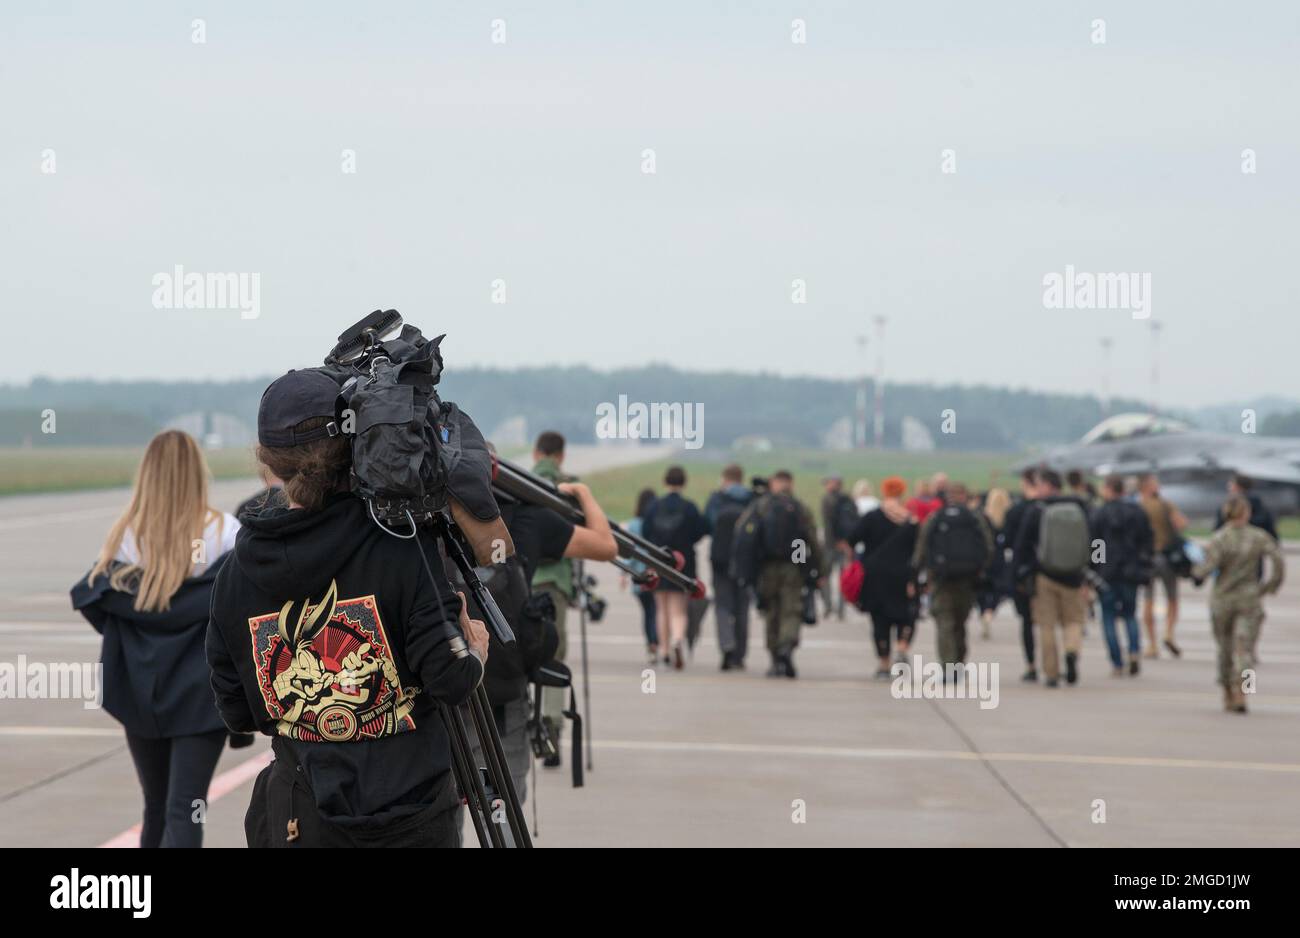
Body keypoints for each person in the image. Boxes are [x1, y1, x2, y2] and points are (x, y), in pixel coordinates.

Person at [207, 369, 489, 847]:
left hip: (303, 814)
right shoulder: (402, 546)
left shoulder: (236, 571)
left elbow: (238, 711)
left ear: (268, 462)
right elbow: (451, 678)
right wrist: (476, 651)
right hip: (411, 815)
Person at [71, 430, 239, 848]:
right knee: (186, 808)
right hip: (203, 697)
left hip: (141, 690)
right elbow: (244, 608)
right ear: (198, 473)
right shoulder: (224, 532)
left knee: (155, 807)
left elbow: (94, 599)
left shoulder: (127, 537)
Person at [484, 467, 616, 776]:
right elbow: (606, 545)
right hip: (505, 671)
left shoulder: (430, 513)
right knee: (504, 797)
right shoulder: (531, 517)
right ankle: (550, 729)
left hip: (445, 673)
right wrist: (583, 494)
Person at [1192, 495, 1284, 713]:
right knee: (1245, 650)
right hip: (1249, 599)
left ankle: (1226, 692)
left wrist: (1196, 575)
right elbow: (1278, 559)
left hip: (1222, 600)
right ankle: (1243, 693)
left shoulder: (1219, 538)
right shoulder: (1258, 537)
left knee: (1224, 648)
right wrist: (1271, 585)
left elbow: (1206, 567)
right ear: (1247, 513)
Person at [1013, 469, 1092, 687]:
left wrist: (1021, 574)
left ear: (1048, 486)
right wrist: (1094, 568)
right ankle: (1072, 651)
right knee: (1074, 620)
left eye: (1039, 485)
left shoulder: (1037, 510)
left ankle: (1051, 672)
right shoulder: (1082, 506)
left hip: (1044, 576)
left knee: (1046, 625)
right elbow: (1097, 541)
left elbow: (1022, 546)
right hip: (1075, 576)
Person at [529, 431, 579, 756]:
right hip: (556, 582)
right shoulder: (570, 485)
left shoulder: (518, 482)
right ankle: (551, 728)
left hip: (522, 579)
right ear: (561, 455)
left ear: (536, 453)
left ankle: (525, 724)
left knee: (518, 654)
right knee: (554, 655)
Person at [746, 471, 823, 678]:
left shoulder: (762, 506)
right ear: (791, 484)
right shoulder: (800, 508)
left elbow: (748, 538)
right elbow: (812, 540)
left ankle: (774, 659)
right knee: (791, 610)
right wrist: (818, 569)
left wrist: (749, 569)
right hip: (794, 564)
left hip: (767, 565)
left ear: (773, 484)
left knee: (772, 610)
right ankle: (786, 647)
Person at [912, 481, 993, 671]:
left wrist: (918, 573)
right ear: (965, 496)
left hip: (941, 578)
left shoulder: (936, 518)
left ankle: (948, 666)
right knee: (960, 621)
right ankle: (959, 661)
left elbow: (922, 547)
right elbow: (988, 548)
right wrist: (980, 569)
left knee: (944, 621)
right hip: (968, 578)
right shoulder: (975, 518)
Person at [842, 476, 918, 679]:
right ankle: (902, 648)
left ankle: (884, 663)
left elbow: (851, 540)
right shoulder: (910, 520)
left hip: (875, 575)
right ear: (902, 492)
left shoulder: (872, 517)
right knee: (905, 615)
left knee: (879, 620)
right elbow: (918, 550)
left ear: (884, 492)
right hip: (902, 575)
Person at [642, 465, 707, 670]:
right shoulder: (690, 507)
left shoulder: (653, 506)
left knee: (661, 608)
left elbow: (645, 532)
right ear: (684, 483)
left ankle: (663, 650)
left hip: (659, 559)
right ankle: (678, 640)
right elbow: (700, 532)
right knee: (679, 609)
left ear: (665, 482)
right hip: (683, 561)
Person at [1090, 474, 1154, 677]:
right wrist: (1143, 564)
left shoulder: (1099, 514)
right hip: (1131, 571)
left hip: (1107, 572)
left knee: (1108, 617)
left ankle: (1117, 662)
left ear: (1109, 489)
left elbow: (1096, 545)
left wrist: (1097, 569)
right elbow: (1147, 541)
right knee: (1129, 614)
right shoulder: (1137, 512)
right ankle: (1134, 652)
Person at [704, 465, 755, 670]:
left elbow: (707, 524)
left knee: (722, 606)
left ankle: (726, 645)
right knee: (743, 609)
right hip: (745, 562)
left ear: (725, 479)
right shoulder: (752, 499)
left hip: (720, 560)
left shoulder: (717, 499)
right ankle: (740, 656)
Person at [1139, 473, 1188, 658]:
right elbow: (1181, 523)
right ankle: (1168, 633)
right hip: (1166, 558)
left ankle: (1151, 644)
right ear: (1150, 486)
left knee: (1148, 600)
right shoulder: (1165, 504)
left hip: (1146, 559)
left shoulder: (1138, 506)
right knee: (1172, 599)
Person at [1003, 469, 1041, 681]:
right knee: (1048, 622)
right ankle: (1055, 662)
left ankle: (1031, 664)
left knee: (1027, 621)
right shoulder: (1055, 508)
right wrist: (1098, 563)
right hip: (1052, 571)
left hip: (1023, 573)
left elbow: (1007, 542)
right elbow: (1096, 543)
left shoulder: (1016, 511)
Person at [624, 488, 660, 665]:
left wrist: (623, 573)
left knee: (647, 613)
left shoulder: (633, 524)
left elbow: (628, 552)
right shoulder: (657, 522)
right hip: (656, 573)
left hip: (639, 575)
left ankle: (651, 644)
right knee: (657, 611)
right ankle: (658, 641)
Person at [819, 475, 858, 620]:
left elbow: (828, 524)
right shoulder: (848, 500)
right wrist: (848, 543)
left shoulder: (827, 500)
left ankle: (828, 606)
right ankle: (841, 610)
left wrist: (834, 541)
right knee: (843, 577)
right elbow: (856, 521)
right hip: (846, 545)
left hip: (830, 544)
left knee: (824, 576)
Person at [977, 487, 1012, 640]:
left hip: (984, 558)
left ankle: (983, 610)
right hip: (1001, 558)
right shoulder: (1009, 517)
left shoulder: (982, 517)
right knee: (999, 589)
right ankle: (989, 612)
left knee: (982, 589)